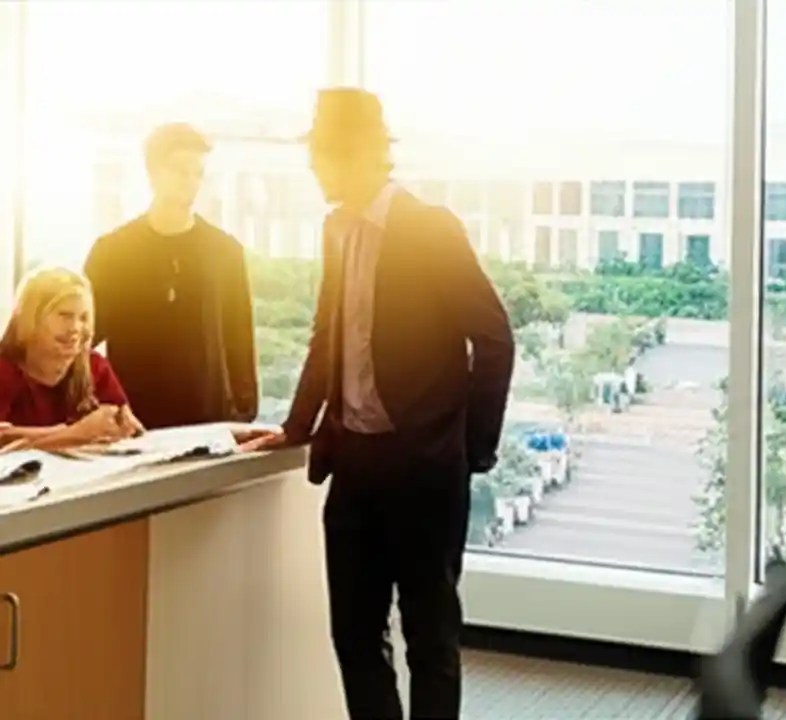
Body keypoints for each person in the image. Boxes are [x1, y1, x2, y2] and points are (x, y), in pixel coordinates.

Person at [248, 88, 515, 719]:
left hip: (424, 467)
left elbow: (494, 337)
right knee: (354, 635)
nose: (313, 167)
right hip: (355, 464)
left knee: (430, 638)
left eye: (320, 153)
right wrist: (294, 425)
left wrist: (471, 447)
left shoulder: (428, 228)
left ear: (356, 154)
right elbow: (326, 336)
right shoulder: (335, 230)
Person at [84, 122, 258, 430]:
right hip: (135, 420)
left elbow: (239, 337)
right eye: (180, 171)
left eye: (198, 173)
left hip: (211, 422)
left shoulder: (224, 251)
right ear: (152, 173)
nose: (190, 181)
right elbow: (84, 335)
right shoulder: (113, 251)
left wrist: (242, 414)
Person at [0, 267, 142, 450]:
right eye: (64, 316)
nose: (75, 327)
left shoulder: (95, 366)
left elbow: (129, 429)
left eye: (83, 318)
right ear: (29, 316)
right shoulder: (4, 371)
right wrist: (78, 433)